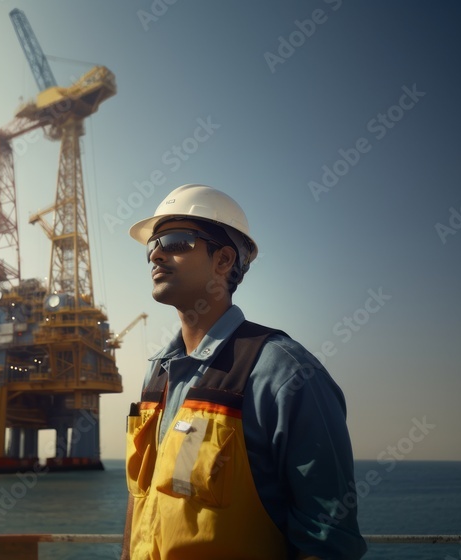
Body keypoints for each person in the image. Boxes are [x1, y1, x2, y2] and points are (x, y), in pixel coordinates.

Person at [121, 184, 366, 559]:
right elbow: (145, 501)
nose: (155, 254)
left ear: (223, 261)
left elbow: (327, 540)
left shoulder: (284, 374)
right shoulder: (158, 374)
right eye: (152, 245)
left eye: (173, 241)